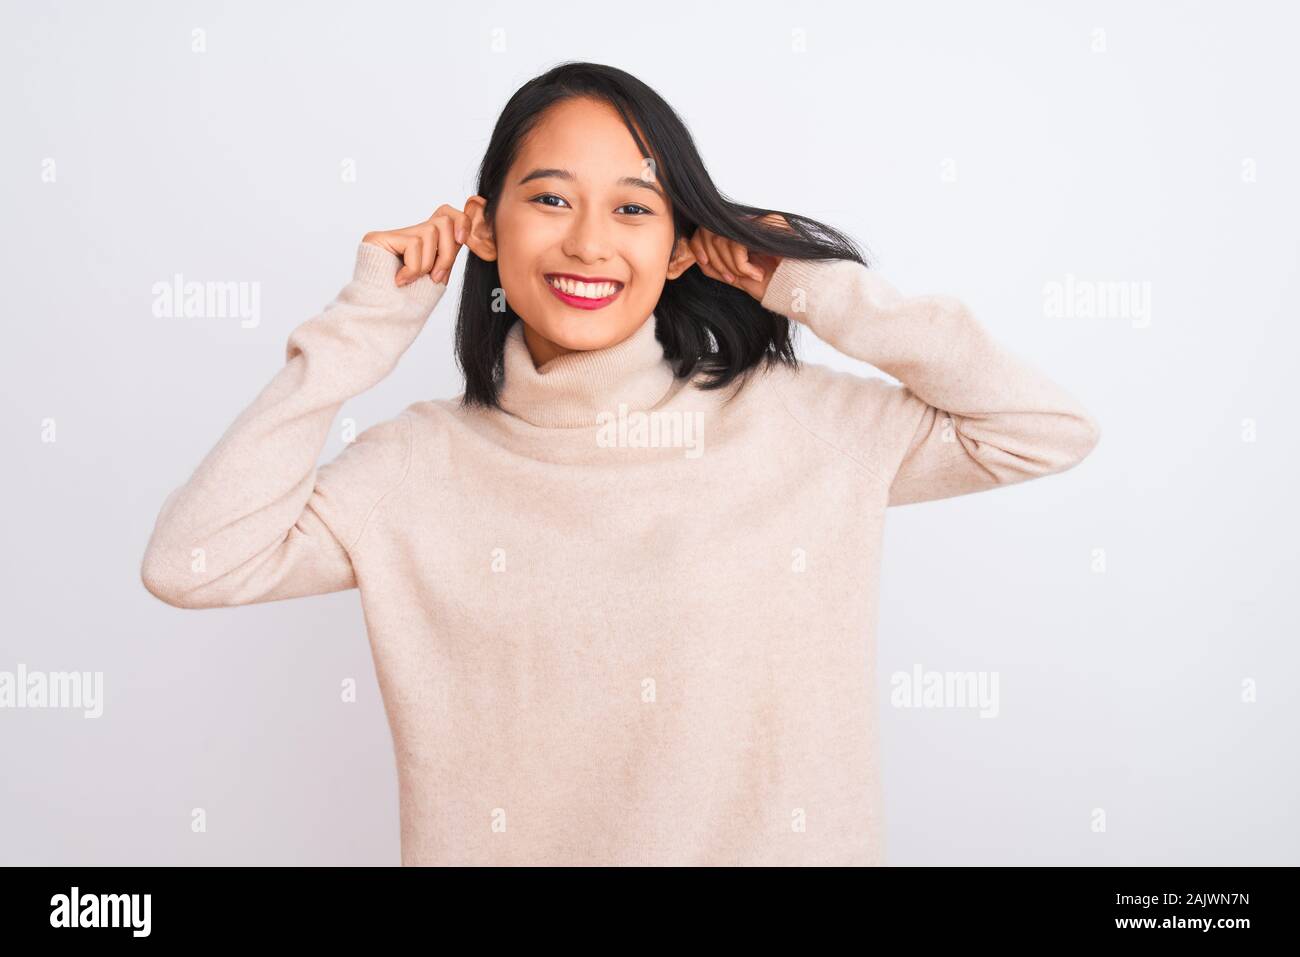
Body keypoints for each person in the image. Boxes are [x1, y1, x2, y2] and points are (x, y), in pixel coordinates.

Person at [140, 61, 1099, 866]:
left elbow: (1043, 428)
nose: (589, 242)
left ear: (682, 247)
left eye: (634, 208)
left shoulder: (800, 427)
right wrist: (359, 334)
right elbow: (192, 563)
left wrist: (809, 285)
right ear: (483, 228)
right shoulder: (414, 467)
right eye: (550, 198)